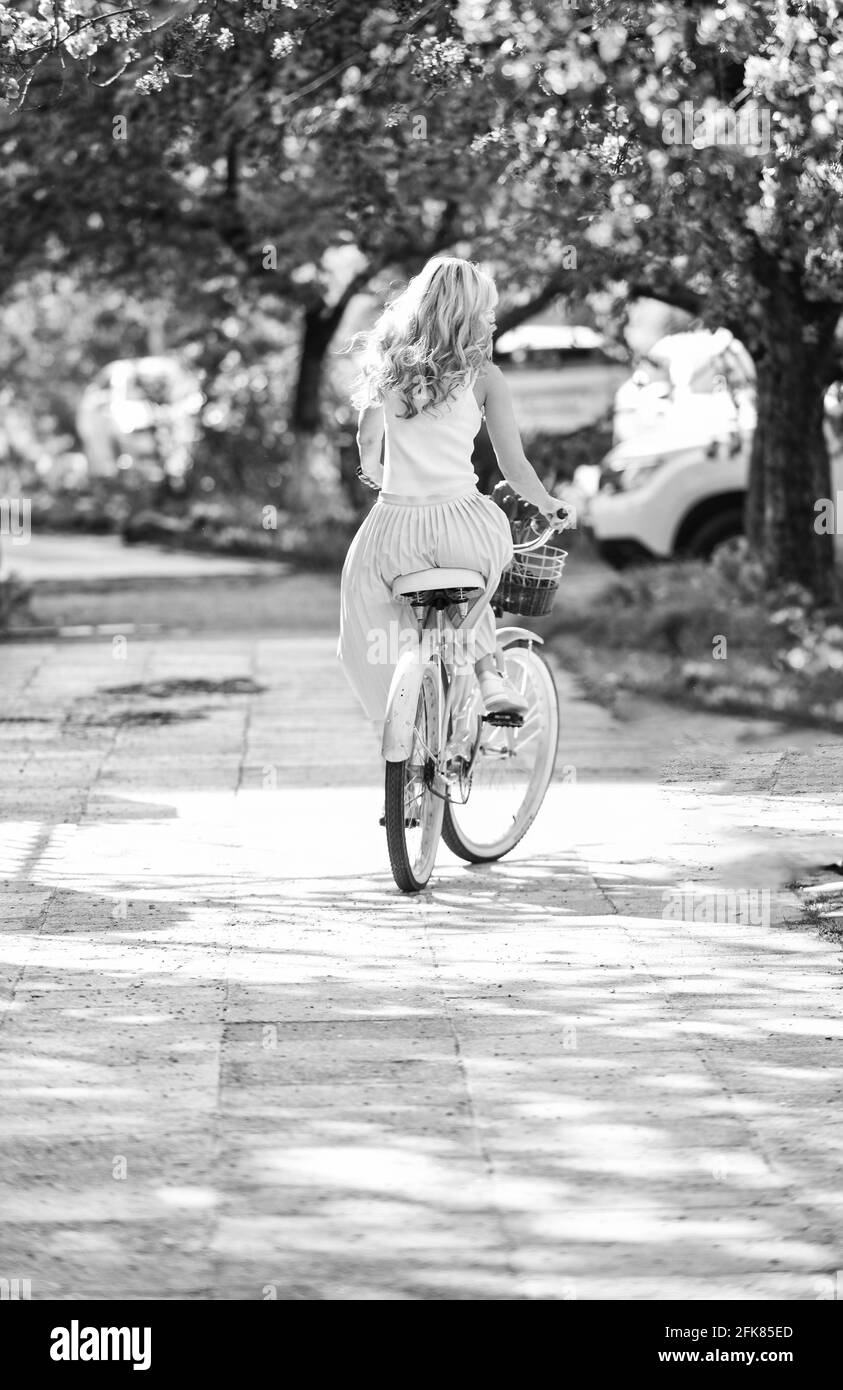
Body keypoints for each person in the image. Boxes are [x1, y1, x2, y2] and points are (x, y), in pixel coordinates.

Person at [338, 255, 569, 748]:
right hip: (465, 524)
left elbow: (367, 441)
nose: (491, 320)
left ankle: (405, 717)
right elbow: (514, 467)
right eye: (486, 311)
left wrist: (377, 477)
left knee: (368, 614)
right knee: (476, 589)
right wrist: (549, 505)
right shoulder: (485, 377)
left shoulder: (388, 367)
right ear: (466, 314)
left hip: (393, 532)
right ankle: (490, 679)